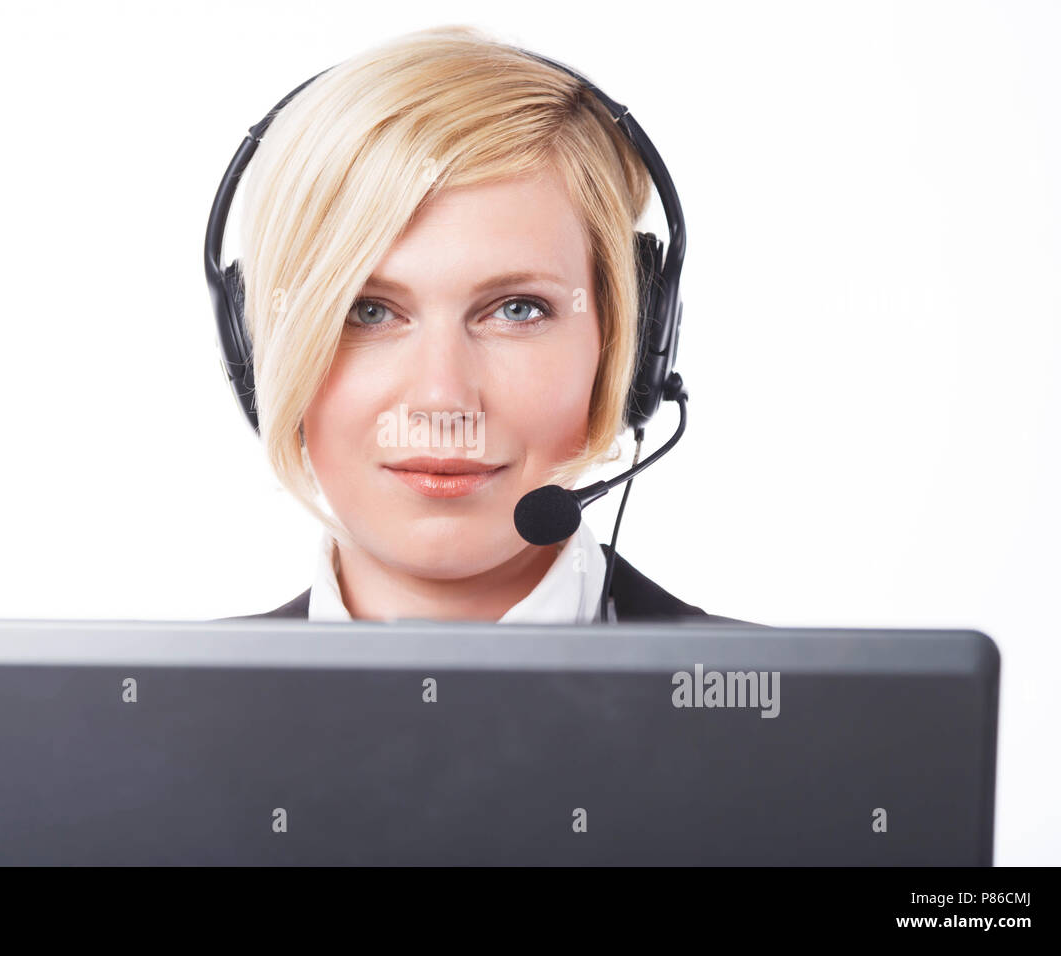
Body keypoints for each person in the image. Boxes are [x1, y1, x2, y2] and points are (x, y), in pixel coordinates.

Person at [216, 25, 753, 625]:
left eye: (517, 309)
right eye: (365, 311)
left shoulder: (798, 713)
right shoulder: (135, 715)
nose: (443, 399)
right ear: (260, 344)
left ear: (623, 341)